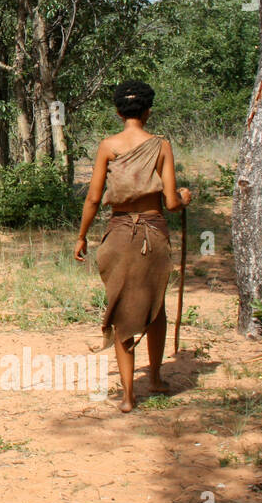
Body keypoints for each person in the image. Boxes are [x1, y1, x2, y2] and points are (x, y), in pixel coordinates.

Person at [74, 80, 193, 412]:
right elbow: (170, 202)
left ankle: (128, 396)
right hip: (153, 234)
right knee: (156, 309)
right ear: (148, 111)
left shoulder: (108, 146)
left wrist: (82, 235)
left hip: (119, 235)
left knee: (122, 309)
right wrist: (183, 198)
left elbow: (95, 198)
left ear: (117, 111)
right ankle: (154, 379)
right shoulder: (161, 146)